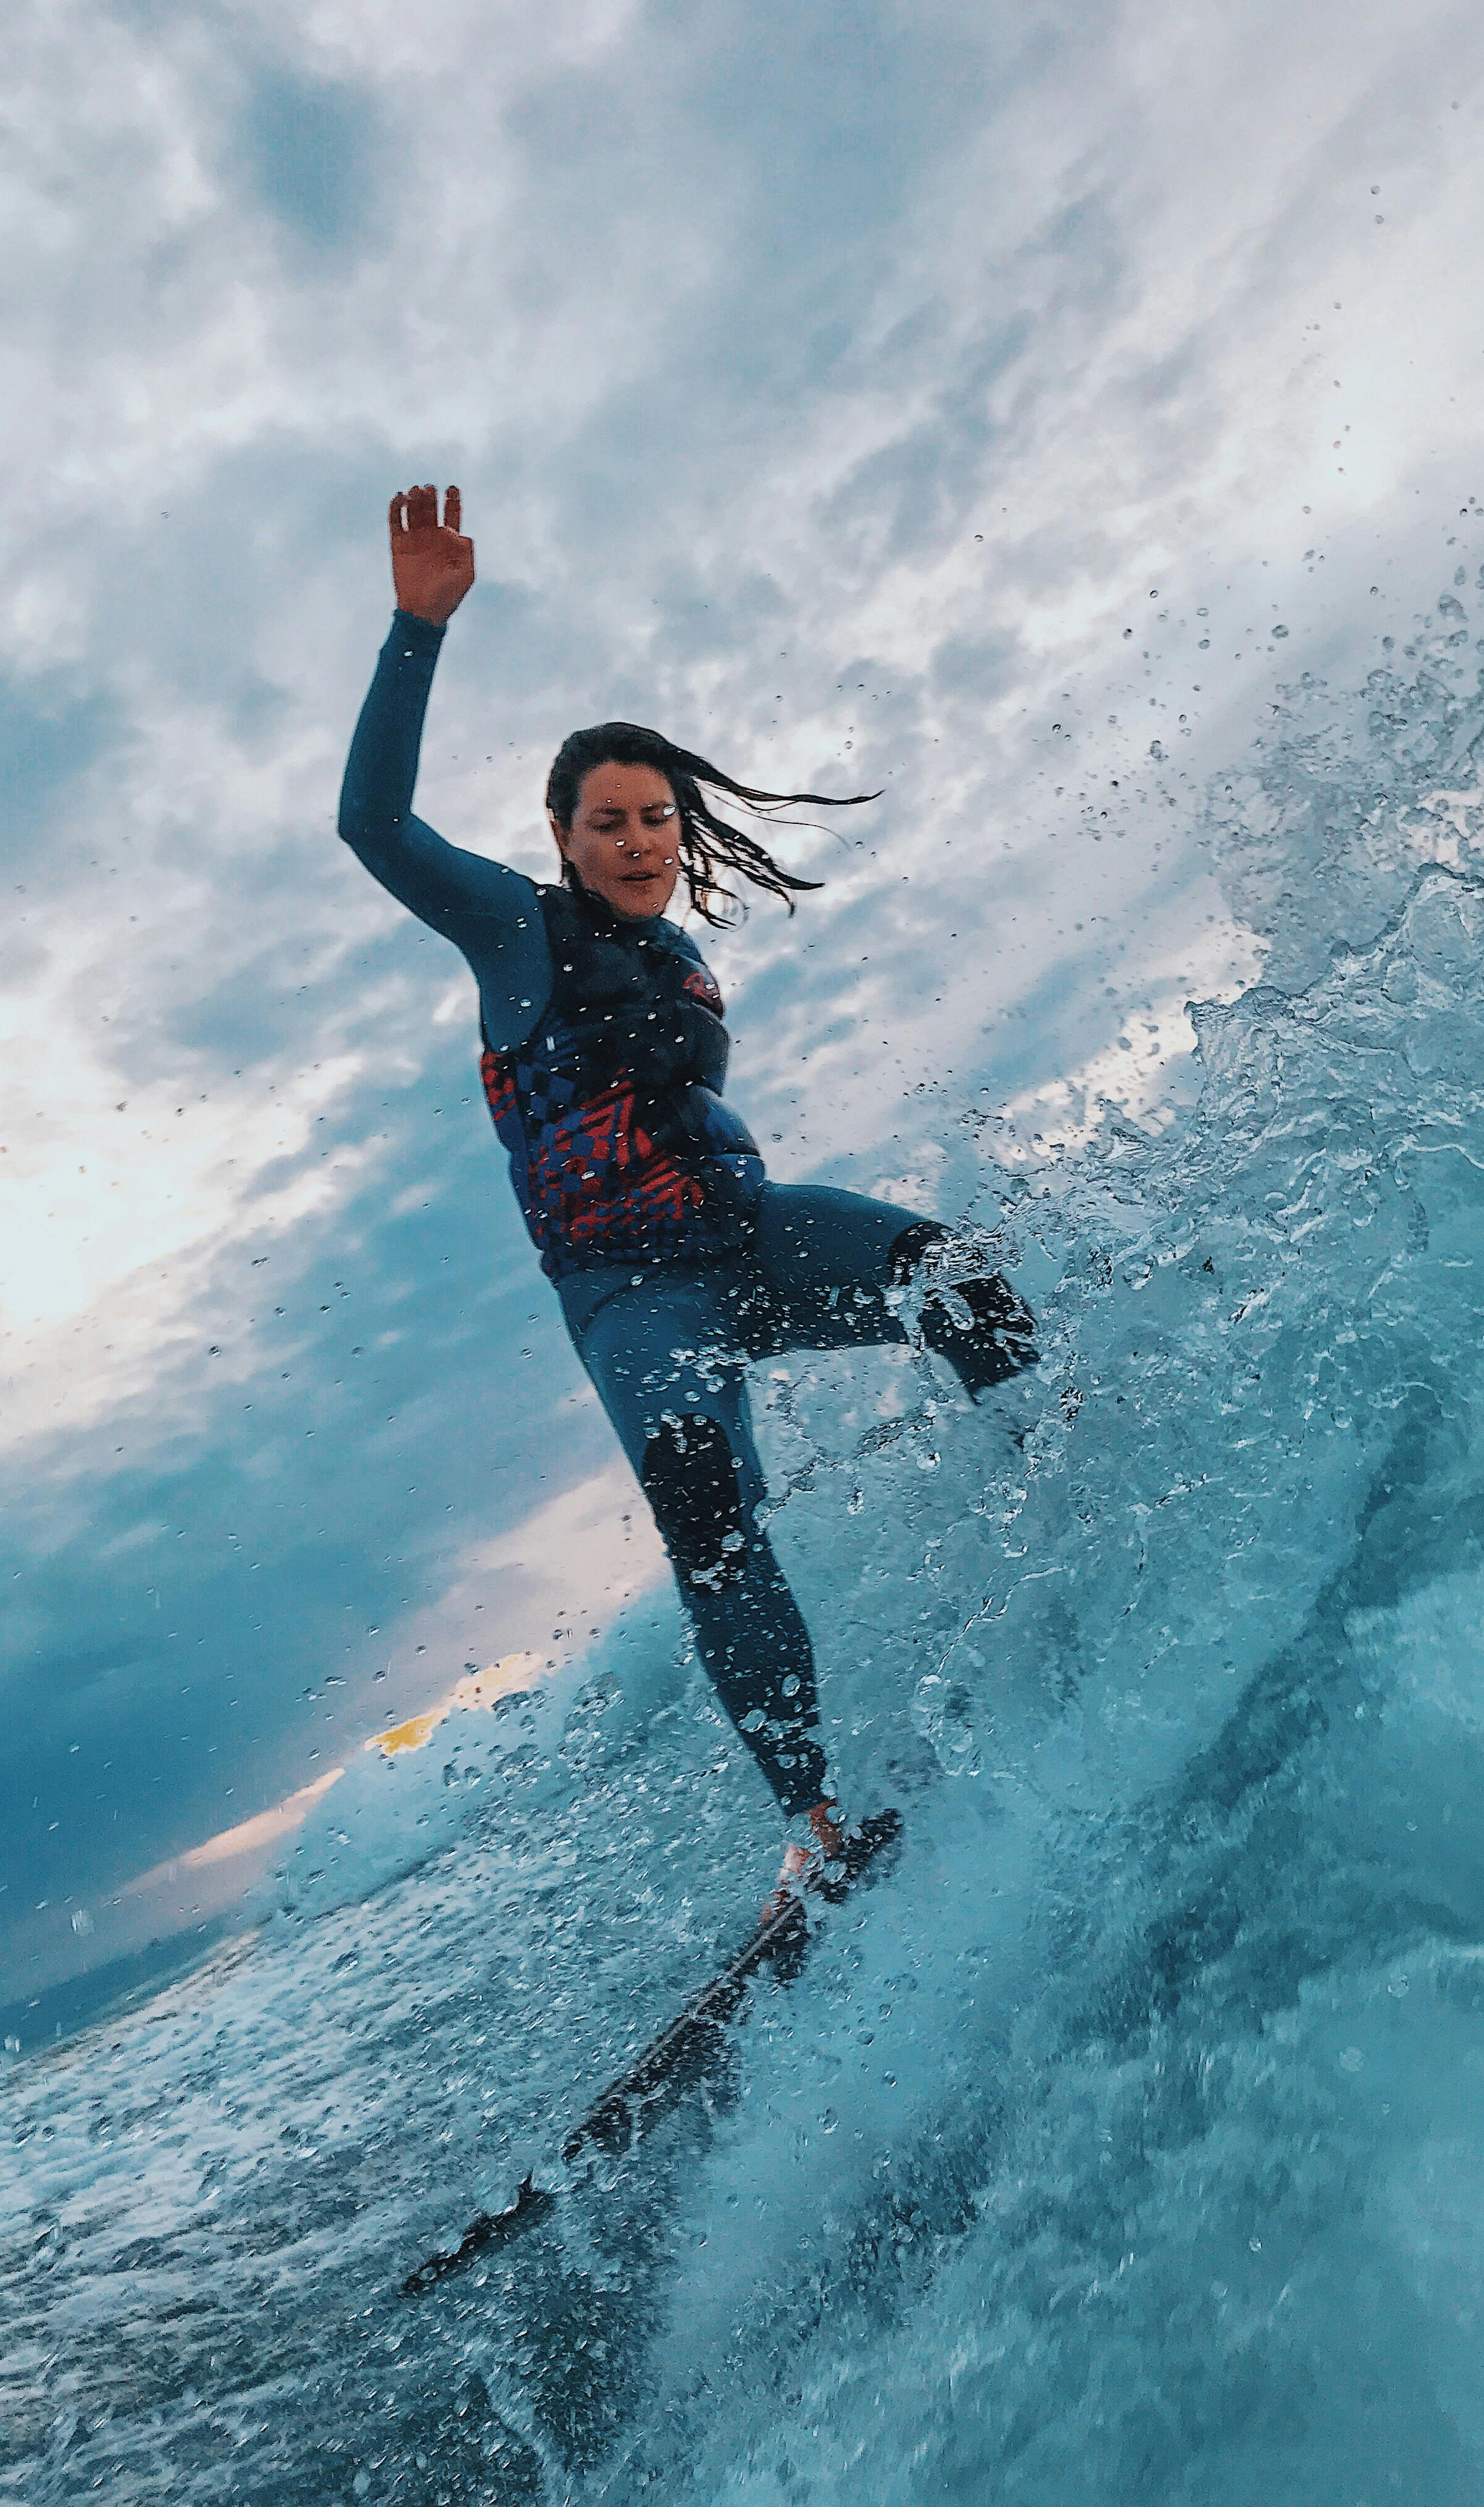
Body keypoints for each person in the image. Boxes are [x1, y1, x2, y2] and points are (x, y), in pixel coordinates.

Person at [338, 485, 1037, 1916]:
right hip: (633, 1297)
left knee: (958, 1277)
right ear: (561, 835)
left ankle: (1066, 1514)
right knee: (707, 1498)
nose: (643, 841)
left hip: (752, 1236)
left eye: (660, 818)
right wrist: (417, 626)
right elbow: (372, 825)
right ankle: (816, 1821)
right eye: (610, 823)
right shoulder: (515, 931)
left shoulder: (683, 962)